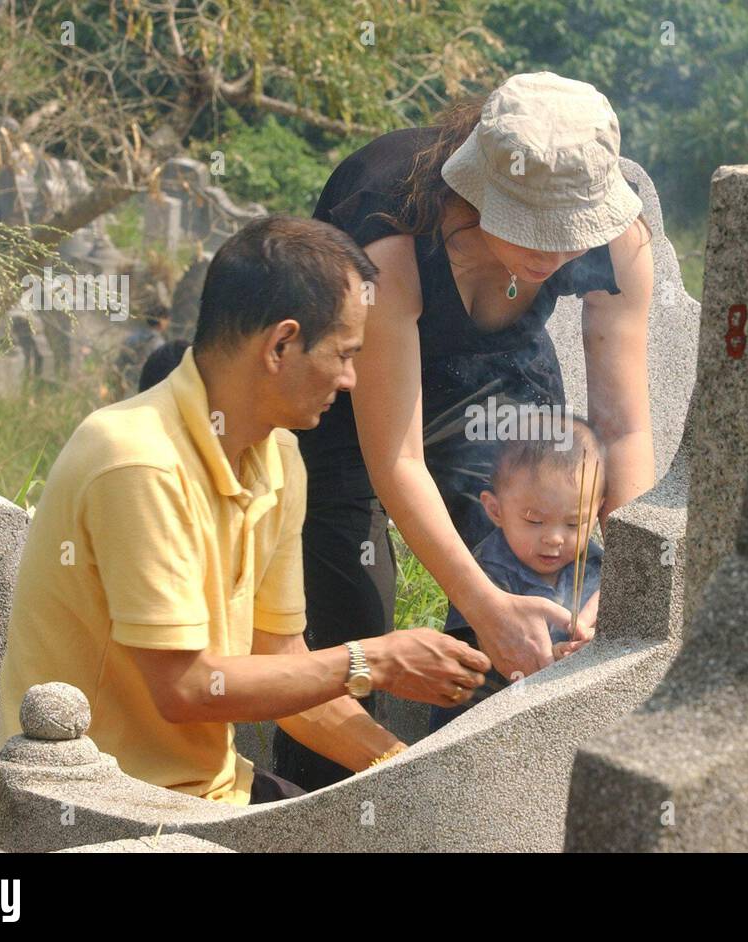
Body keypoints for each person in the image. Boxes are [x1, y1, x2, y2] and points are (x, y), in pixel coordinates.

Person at [0, 215, 490, 805]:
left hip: (214, 792)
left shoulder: (278, 456)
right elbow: (188, 688)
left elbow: (279, 660)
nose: (352, 378)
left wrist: (404, 775)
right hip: (108, 806)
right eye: (344, 353)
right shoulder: (137, 460)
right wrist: (375, 659)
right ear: (281, 344)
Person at [280, 71, 656, 789]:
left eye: (568, 235)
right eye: (530, 229)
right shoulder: (390, 238)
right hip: (350, 380)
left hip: (496, 370)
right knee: (351, 598)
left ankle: (483, 791)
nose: (552, 256)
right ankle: (315, 804)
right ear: (479, 189)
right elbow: (395, 459)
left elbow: (624, 424)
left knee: (546, 565)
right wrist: (485, 607)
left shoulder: (620, 242)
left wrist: (629, 574)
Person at [431, 417, 605, 730]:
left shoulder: (596, 565)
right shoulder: (485, 572)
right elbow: (485, 650)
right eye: (535, 521)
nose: (554, 538)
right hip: (480, 724)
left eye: (573, 523)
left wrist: (591, 643)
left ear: (597, 512)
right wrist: (550, 656)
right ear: (495, 510)